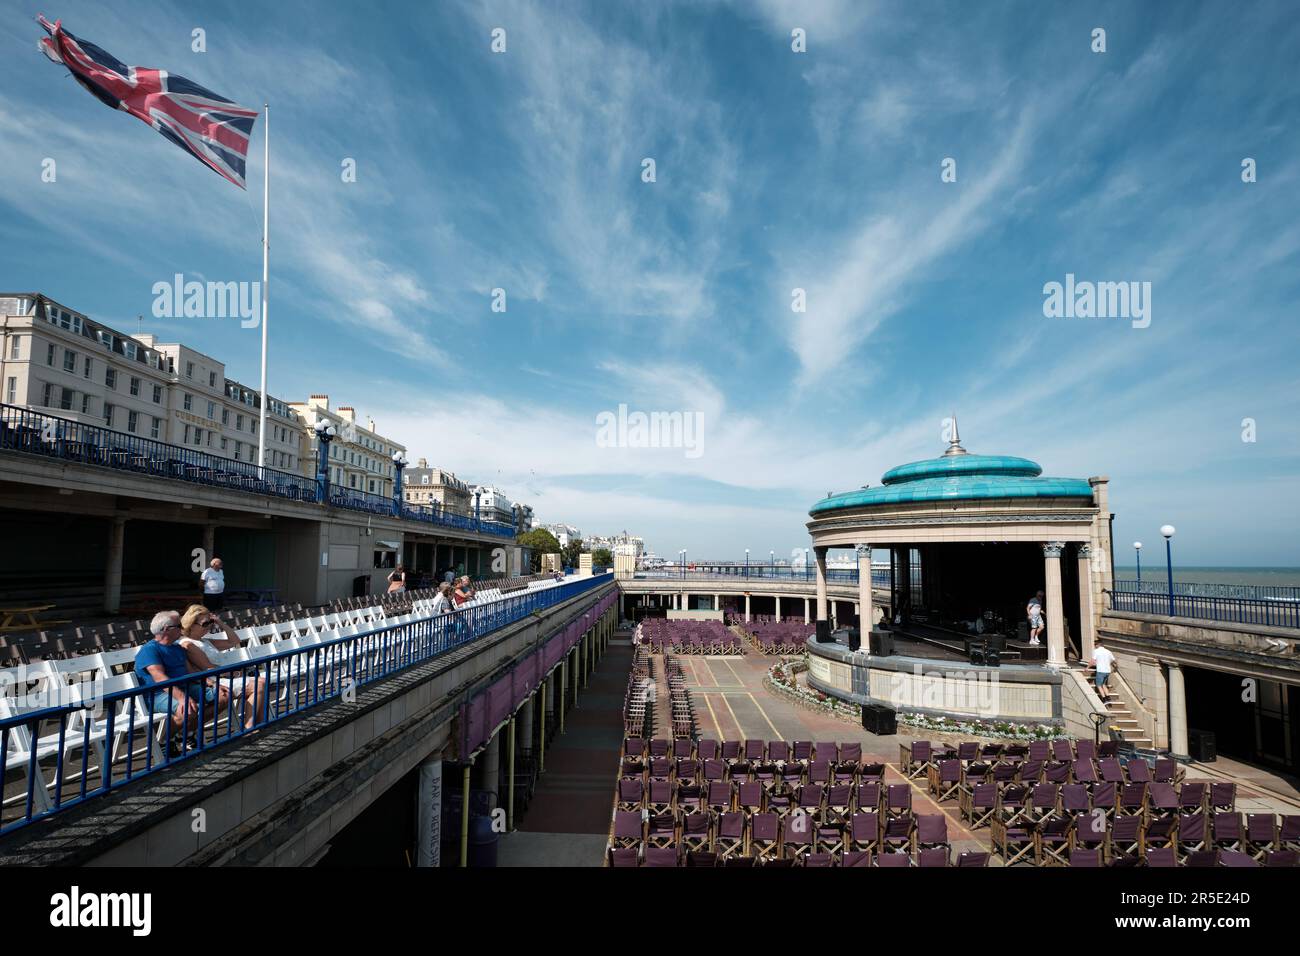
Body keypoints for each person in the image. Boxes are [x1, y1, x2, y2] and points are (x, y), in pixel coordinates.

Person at [134, 610, 227, 745]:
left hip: (183, 687)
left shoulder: (176, 647)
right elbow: (161, 679)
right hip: (158, 694)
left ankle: (185, 733)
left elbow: (190, 673)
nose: (183, 628)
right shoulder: (149, 650)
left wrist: (212, 683)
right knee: (188, 709)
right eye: (179, 626)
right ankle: (163, 741)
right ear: (166, 629)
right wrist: (182, 697)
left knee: (223, 695)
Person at [177, 603, 264, 730]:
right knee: (259, 684)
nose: (209, 626)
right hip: (214, 680)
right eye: (205, 624)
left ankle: (258, 725)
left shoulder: (205, 641)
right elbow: (208, 668)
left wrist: (220, 623)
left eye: (210, 622)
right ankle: (249, 727)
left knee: (261, 682)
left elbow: (234, 641)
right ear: (191, 624)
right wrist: (235, 673)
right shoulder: (187, 644)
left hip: (223, 676)